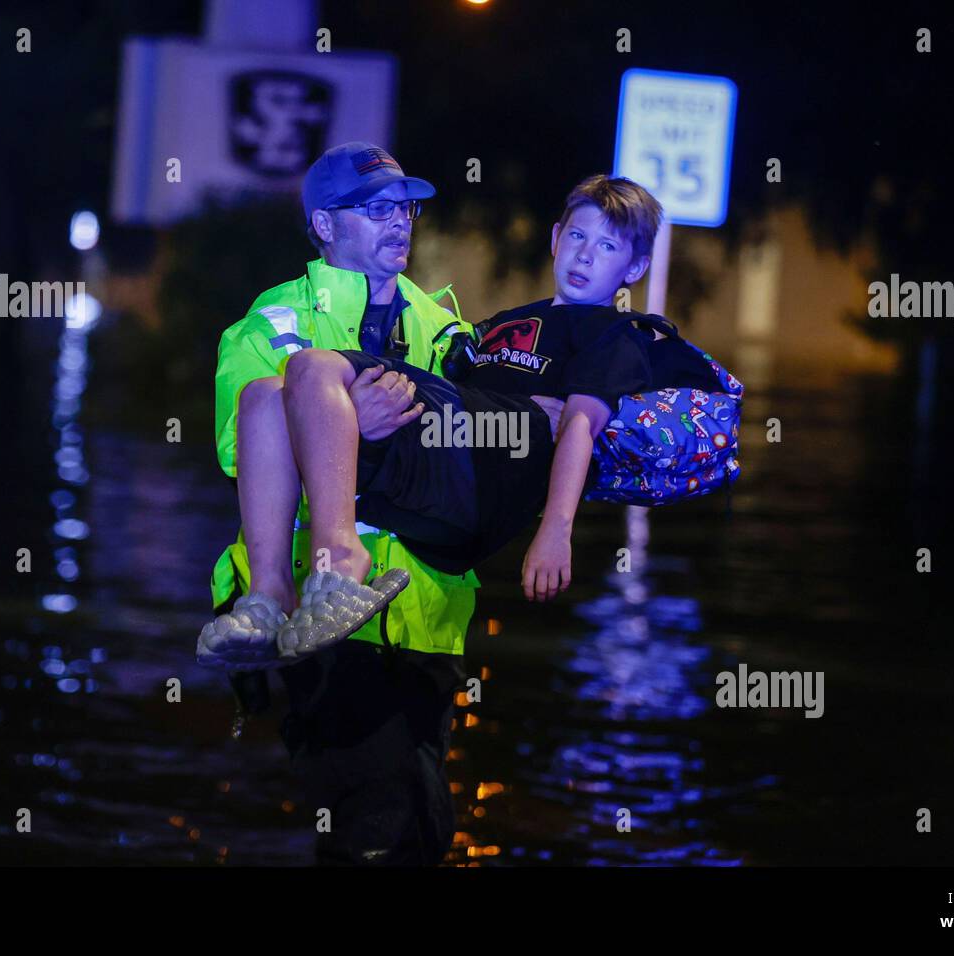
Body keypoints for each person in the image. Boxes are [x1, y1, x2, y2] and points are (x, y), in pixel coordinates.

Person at [210, 141, 562, 866]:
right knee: (383, 821)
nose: (399, 221)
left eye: (404, 207)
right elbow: (237, 448)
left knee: (417, 821)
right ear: (325, 225)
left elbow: (485, 443)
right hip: (327, 620)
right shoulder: (276, 322)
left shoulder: (446, 330)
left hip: (428, 620)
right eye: (376, 209)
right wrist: (348, 429)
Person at [199, 174, 664, 669]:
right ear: (554, 238)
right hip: (424, 468)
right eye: (577, 236)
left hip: (467, 486)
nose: (586, 254)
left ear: (635, 266)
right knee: (266, 395)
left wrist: (554, 531)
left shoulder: (613, 337)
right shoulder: (497, 326)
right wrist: (356, 417)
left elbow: (576, 430)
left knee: (311, 367)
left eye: (607, 245)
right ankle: (270, 599)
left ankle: (339, 559)